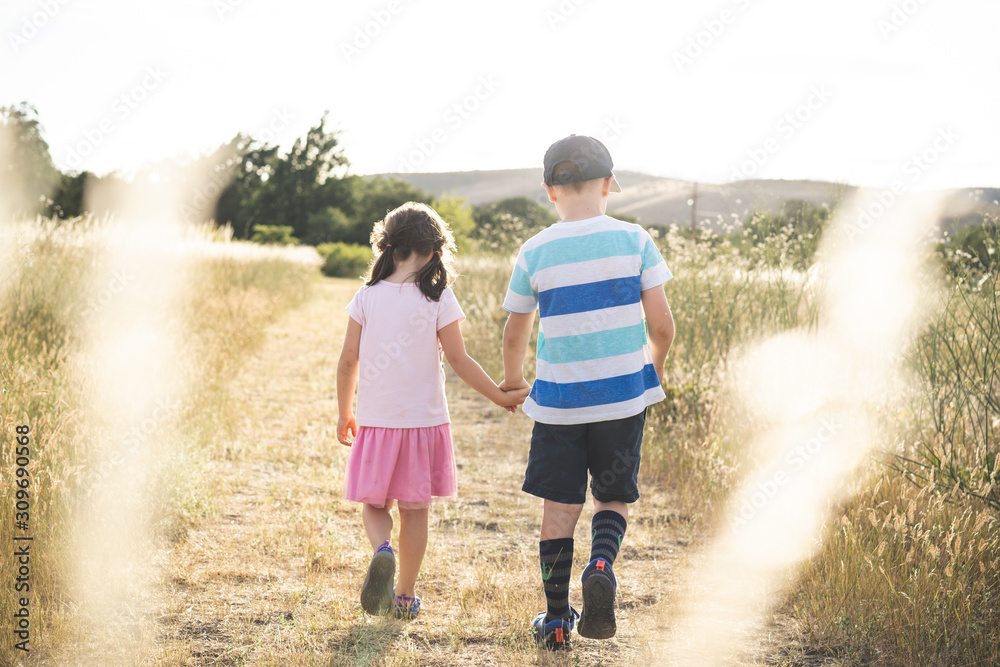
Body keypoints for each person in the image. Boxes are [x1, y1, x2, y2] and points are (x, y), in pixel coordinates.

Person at [500, 135, 675, 650]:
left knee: (560, 506)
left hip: (559, 403)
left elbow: (515, 332)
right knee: (613, 497)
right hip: (623, 398)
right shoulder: (636, 239)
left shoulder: (535, 249)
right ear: (607, 185)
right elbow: (661, 325)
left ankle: (556, 621)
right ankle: (600, 565)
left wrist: (513, 381)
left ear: (550, 191)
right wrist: (652, 371)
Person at [337, 201, 529, 620]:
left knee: (374, 504)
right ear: (435, 251)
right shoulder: (438, 296)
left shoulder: (366, 296)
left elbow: (348, 358)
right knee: (415, 510)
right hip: (423, 424)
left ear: (388, 247)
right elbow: (459, 361)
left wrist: (343, 411)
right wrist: (499, 396)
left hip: (376, 422)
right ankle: (404, 594)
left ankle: (381, 550)